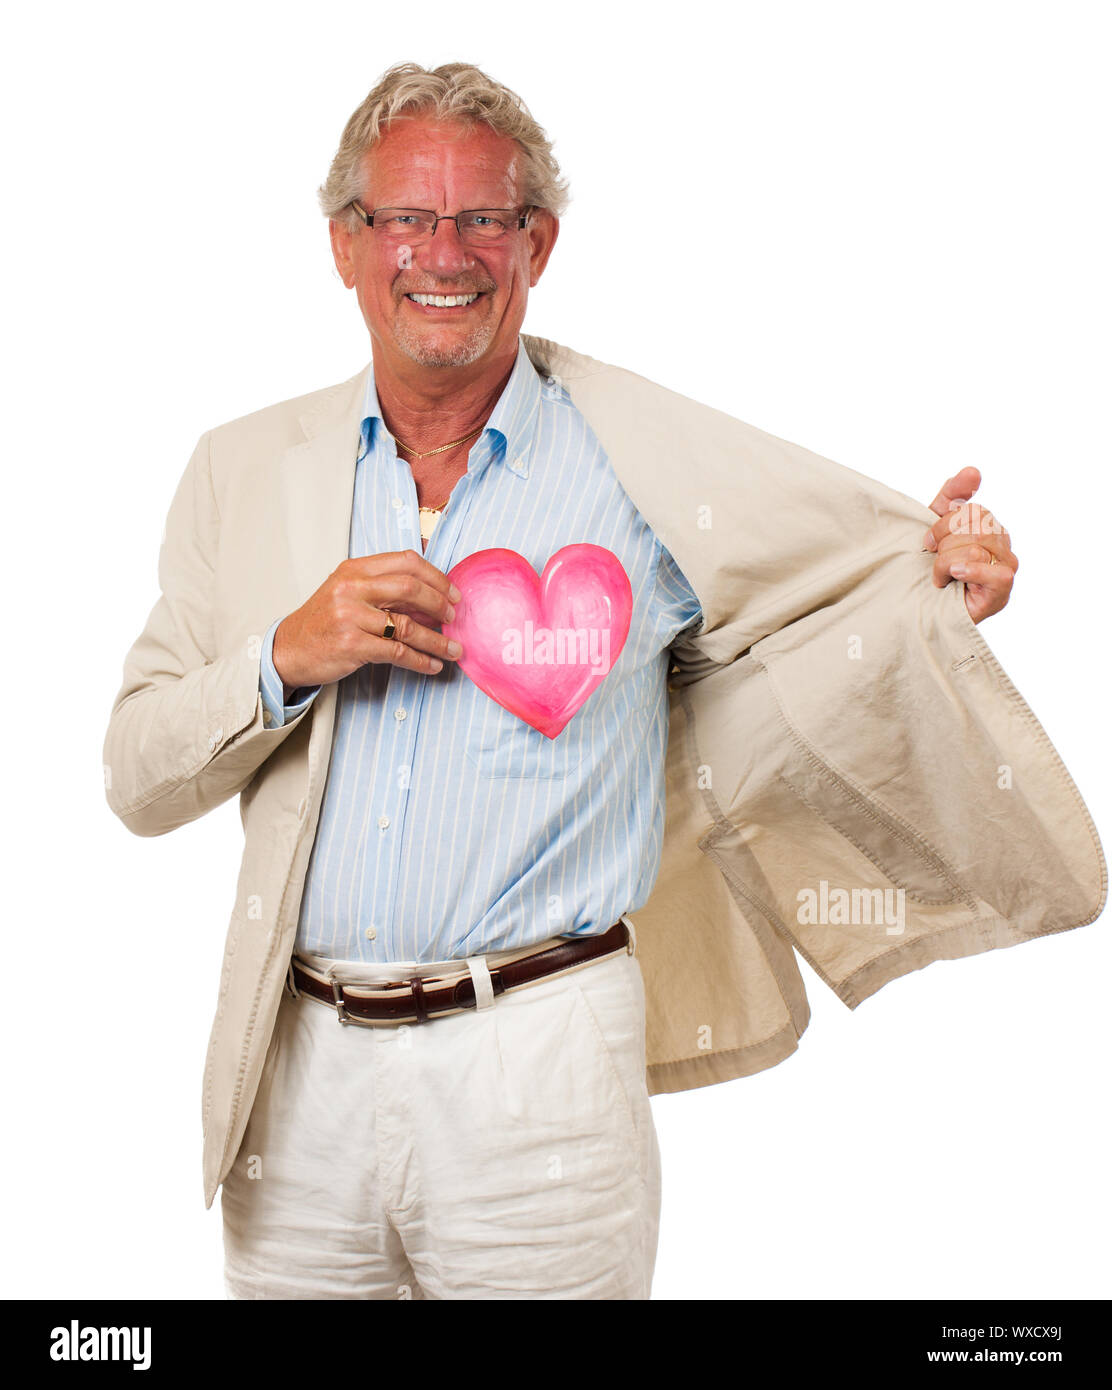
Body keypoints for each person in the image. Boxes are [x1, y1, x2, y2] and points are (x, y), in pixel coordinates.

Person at [103, 62, 1102, 1301]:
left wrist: (933, 582)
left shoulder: (642, 462)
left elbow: (817, 605)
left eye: (484, 218)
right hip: (295, 1077)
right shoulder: (240, 468)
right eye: (405, 217)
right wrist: (284, 657)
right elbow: (138, 777)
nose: (444, 252)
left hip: (541, 1071)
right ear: (345, 246)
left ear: (539, 244)